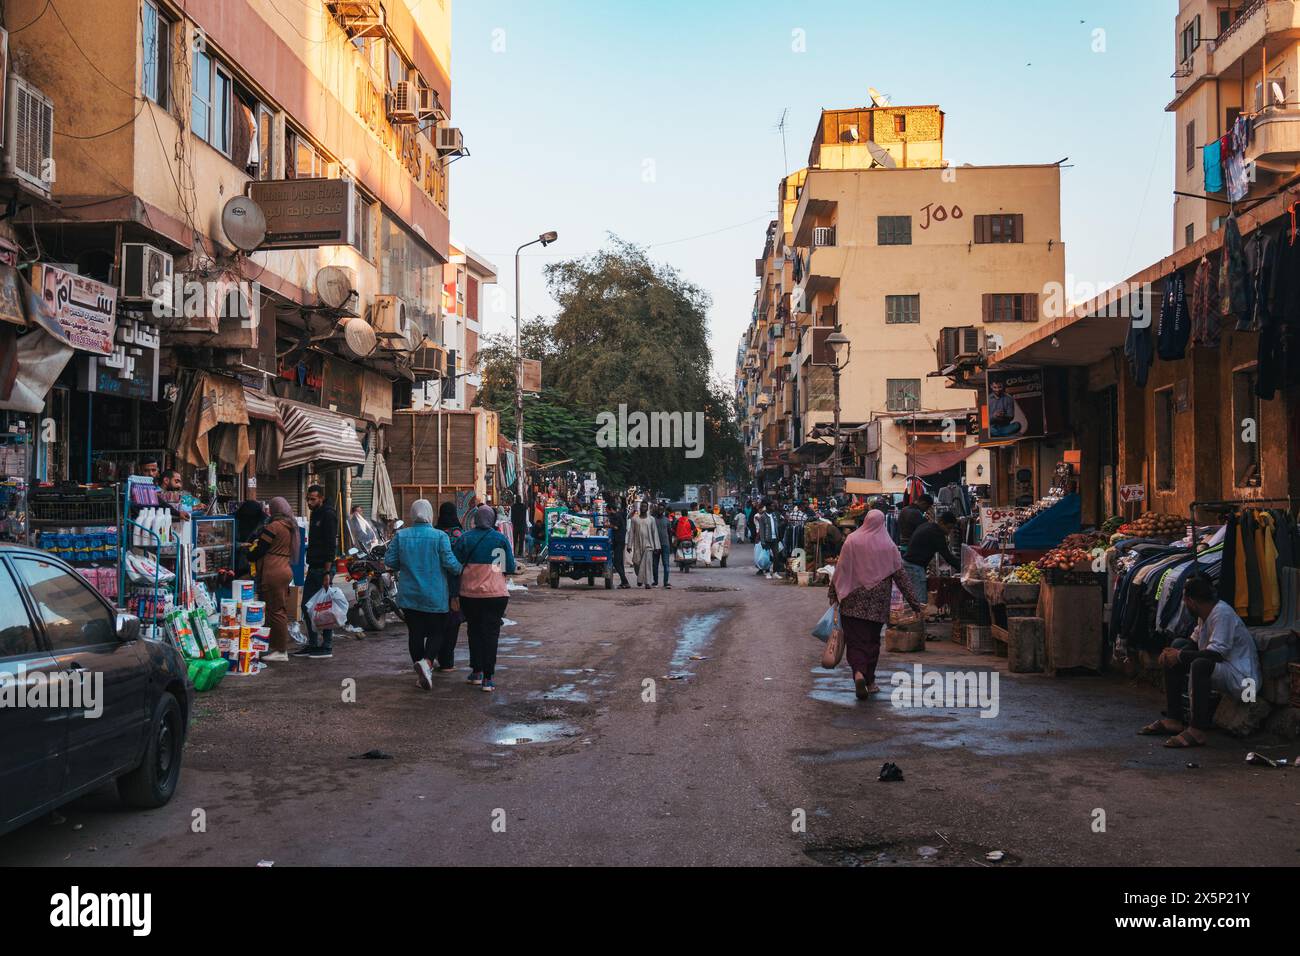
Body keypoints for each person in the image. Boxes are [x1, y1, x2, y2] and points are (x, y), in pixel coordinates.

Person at [1140, 576, 1262, 748]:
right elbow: (1193, 644)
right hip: (1226, 669)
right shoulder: (1204, 614)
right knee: (1178, 645)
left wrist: (1180, 656)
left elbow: (1216, 654)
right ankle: (1174, 718)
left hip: (1244, 682)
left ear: (1191, 601)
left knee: (1200, 664)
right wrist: (1172, 653)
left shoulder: (1222, 613)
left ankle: (1197, 730)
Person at [828, 510, 924, 700]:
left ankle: (858, 673)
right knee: (872, 642)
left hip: (852, 600)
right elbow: (901, 577)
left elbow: (841, 568)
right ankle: (870, 681)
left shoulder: (852, 541)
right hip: (877, 604)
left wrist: (833, 593)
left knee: (855, 642)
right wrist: (915, 604)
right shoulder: (888, 546)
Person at [386, 500, 462, 691]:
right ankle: (427, 663)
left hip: (409, 596)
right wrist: (463, 569)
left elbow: (390, 561)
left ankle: (422, 672)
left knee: (415, 634)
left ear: (413, 514)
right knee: (438, 632)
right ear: (429, 514)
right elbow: (451, 564)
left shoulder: (401, 535)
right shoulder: (440, 537)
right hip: (435, 595)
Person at [453, 505, 516, 692]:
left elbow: (455, 563)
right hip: (496, 595)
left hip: (470, 595)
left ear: (475, 519)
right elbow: (509, 567)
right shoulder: (500, 539)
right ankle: (489, 678)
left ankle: (477, 671)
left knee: (474, 632)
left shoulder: (465, 538)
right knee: (491, 634)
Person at [246, 497, 298, 663]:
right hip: (284, 570)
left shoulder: (274, 526)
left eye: (270, 508)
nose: (268, 511)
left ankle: (281, 650)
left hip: (273, 571)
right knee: (278, 610)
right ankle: (276, 647)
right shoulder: (290, 526)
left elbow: (260, 549)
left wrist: (248, 553)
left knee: (275, 612)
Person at [297, 484, 339, 659]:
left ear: (321, 498)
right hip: (314, 567)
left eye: (313, 499)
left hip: (323, 568)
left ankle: (326, 645)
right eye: (308, 499)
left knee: (323, 608)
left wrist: (327, 574)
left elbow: (331, 545)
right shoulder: (315, 514)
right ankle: (313, 643)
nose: (309, 502)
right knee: (308, 606)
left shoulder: (328, 515)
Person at [901, 510, 961, 611]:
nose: (949, 531)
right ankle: (916, 624)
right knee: (920, 601)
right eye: (948, 528)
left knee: (911, 599)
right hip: (915, 567)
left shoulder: (927, 526)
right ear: (941, 522)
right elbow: (947, 556)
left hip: (909, 564)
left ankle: (910, 622)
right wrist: (962, 568)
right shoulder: (936, 533)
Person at [434, 502, 466, 672]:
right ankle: (447, 661)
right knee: (453, 622)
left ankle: (434, 657)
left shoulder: (435, 533)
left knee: (437, 623)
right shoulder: (461, 535)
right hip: (455, 587)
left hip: (434, 585)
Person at [630, 501, 658, 588]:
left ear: (647, 508)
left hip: (648, 545)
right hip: (637, 544)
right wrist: (629, 545)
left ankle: (647, 583)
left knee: (647, 564)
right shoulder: (634, 519)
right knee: (636, 563)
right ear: (640, 508)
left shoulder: (651, 519)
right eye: (642, 506)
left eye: (645, 506)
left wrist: (657, 546)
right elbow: (631, 532)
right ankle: (640, 578)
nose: (643, 508)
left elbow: (655, 533)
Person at [608, 495, 631, 589]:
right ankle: (623, 582)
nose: (606, 512)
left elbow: (616, 527)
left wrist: (608, 525)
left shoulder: (616, 516)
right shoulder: (619, 514)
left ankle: (625, 582)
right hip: (619, 541)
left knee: (617, 562)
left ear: (609, 509)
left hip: (619, 541)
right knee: (620, 562)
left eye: (607, 510)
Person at [755, 499, 781, 579]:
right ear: (768, 507)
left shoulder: (774, 515)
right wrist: (762, 541)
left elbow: (777, 525)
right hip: (767, 539)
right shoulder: (763, 517)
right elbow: (762, 530)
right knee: (767, 557)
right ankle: (767, 572)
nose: (773, 507)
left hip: (775, 538)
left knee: (776, 556)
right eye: (772, 506)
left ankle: (775, 572)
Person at [653, 505, 672, 588]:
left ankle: (666, 582)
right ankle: (655, 581)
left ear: (663, 510)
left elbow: (670, 533)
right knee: (654, 565)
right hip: (655, 545)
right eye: (659, 509)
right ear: (657, 510)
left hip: (665, 544)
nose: (660, 510)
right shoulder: (653, 520)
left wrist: (670, 545)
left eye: (661, 509)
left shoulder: (667, 521)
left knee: (666, 564)